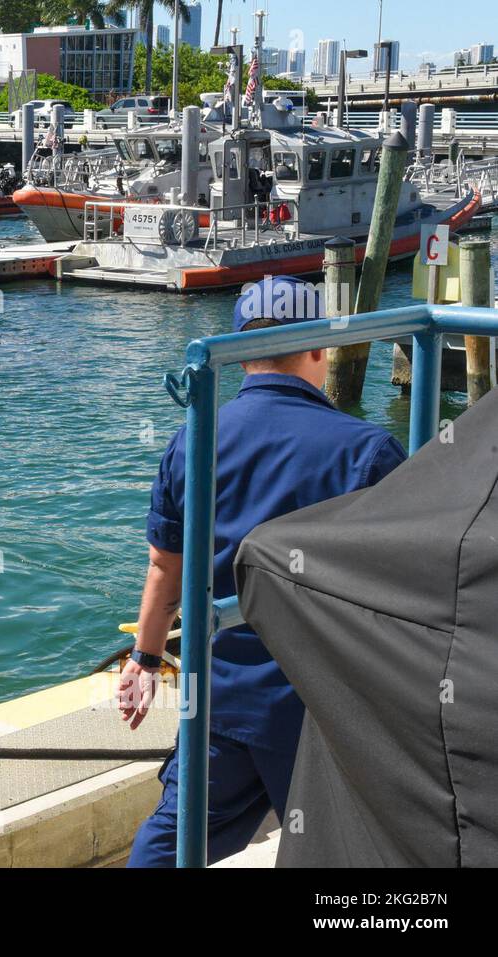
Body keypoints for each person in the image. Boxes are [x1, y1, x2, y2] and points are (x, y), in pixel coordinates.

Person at [120, 275, 407, 867]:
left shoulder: (191, 440)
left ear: (240, 352)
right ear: (321, 350)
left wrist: (145, 658)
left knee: (174, 839)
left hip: (221, 695)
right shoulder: (368, 451)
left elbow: (163, 569)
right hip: (320, 707)